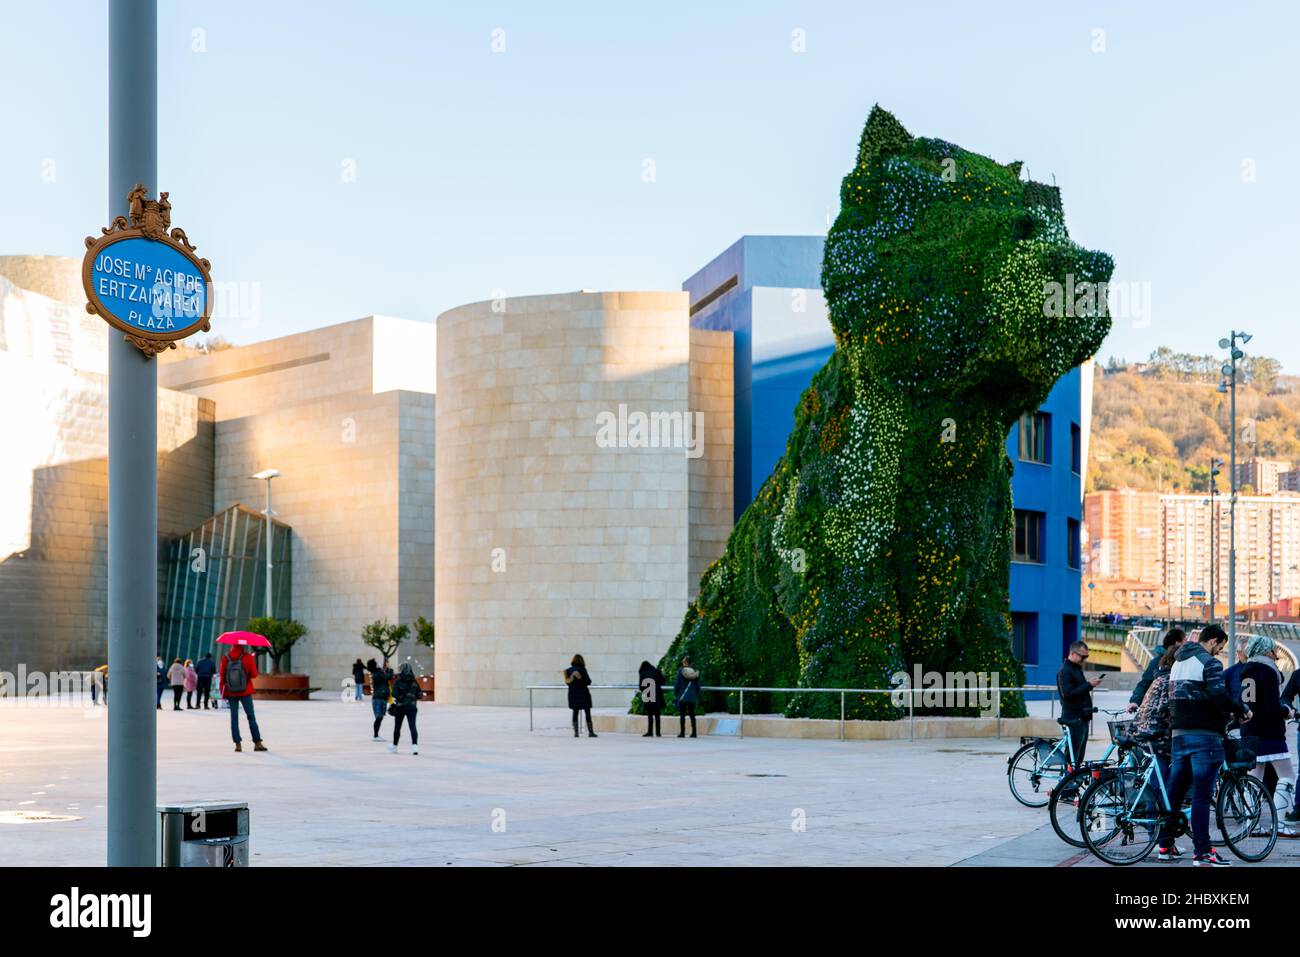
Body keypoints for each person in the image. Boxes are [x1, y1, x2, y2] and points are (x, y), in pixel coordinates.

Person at [1166, 623, 1249, 866]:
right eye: (1219, 648)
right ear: (1213, 641)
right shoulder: (1209, 663)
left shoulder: (1178, 662)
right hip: (1204, 736)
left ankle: (1165, 844)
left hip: (1178, 735)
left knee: (1176, 793)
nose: (1218, 653)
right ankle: (1203, 852)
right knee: (1202, 797)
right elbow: (1219, 696)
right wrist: (1241, 709)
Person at [1239, 635, 1297, 836]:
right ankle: (1280, 824)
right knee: (1288, 776)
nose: (1276, 655)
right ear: (1266, 651)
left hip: (1249, 731)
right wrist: (1286, 711)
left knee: (1254, 777)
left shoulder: (1245, 670)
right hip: (1269, 732)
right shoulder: (1268, 672)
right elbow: (1272, 707)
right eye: (1274, 651)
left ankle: (1250, 824)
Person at [1132, 643, 1182, 860]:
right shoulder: (1169, 680)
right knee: (1162, 789)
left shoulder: (1159, 676)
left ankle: (1159, 837)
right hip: (1159, 738)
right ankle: (1160, 838)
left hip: (1147, 734)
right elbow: (1164, 710)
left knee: (1156, 785)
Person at [1056, 641, 1100, 767]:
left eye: (1086, 657)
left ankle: (1071, 784)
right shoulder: (1065, 671)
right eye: (1082, 656)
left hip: (1082, 718)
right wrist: (1088, 685)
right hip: (1073, 718)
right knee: (1072, 758)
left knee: (1078, 758)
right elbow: (1067, 695)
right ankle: (1066, 785)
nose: (1084, 660)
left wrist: (1089, 685)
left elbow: (1079, 691)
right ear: (1072, 653)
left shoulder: (1075, 669)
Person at [219, 643, 267, 753]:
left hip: (231, 692)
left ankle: (238, 745)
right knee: (251, 717)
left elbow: (222, 676)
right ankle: (257, 743)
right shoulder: (248, 657)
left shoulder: (225, 657)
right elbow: (254, 675)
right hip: (245, 691)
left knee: (234, 718)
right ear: (243, 646)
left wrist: (223, 693)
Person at [1127, 629, 1184, 713]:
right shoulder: (1157, 662)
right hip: (1160, 713)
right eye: (1185, 640)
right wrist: (1135, 701)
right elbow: (1144, 684)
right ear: (1177, 643)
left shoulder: (1184, 661)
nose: (1187, 644)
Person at [388, 662, 421, 755]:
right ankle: (415, 747)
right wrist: (412, 697)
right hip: (412, 707)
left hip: (400, 707)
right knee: (413, 727)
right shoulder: (414, 681)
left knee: (397, 727)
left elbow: (394, 694)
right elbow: (420, 694)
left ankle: (394, 746)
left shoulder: (398, 680)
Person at [564, 654, 596, 738]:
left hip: (573, 695)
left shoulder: (568, 671)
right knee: (587, 713)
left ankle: (576, 733)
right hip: (583, 694)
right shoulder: (582, 670)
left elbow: (567, 682)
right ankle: (591, 732)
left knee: (575, 712)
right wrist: (580, 677)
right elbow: (588, 682)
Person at [674, 656, 701, 738]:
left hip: (682, 695)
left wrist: (676, 694)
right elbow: (697, 687)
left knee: (682, 715)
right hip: (692, 696)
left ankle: (682, 733)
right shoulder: (694, 673)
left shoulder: (680, 672)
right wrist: (695, 694)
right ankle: (694, 732)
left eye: (683, 662)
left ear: (685, 663)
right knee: (692, 714)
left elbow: (677, 685)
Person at [638, 660, 665, 737]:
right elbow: (662, 681)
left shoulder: (642, 673)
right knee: (657, 714)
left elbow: (641, 686)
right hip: (657, 695)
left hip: (647, 695)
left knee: (650, 714)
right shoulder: (655, 671)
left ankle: (650, 731)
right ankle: (658, 732)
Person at [369, 658, 393, 741]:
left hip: (382, 698)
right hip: (378, 698)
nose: (378, 663)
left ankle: (376, 735)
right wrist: (390, 670)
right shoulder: (377, 674)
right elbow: (388, 677)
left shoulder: (378, 673)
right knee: (379, 717)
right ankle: (375, 736)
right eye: (376, 663)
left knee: (380, 717)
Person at [1223, 643, 1249, 707]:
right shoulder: (1228, 673)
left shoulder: (1258, 670)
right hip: (1237, 712)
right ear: (1239, 652)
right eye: (1247, 648)